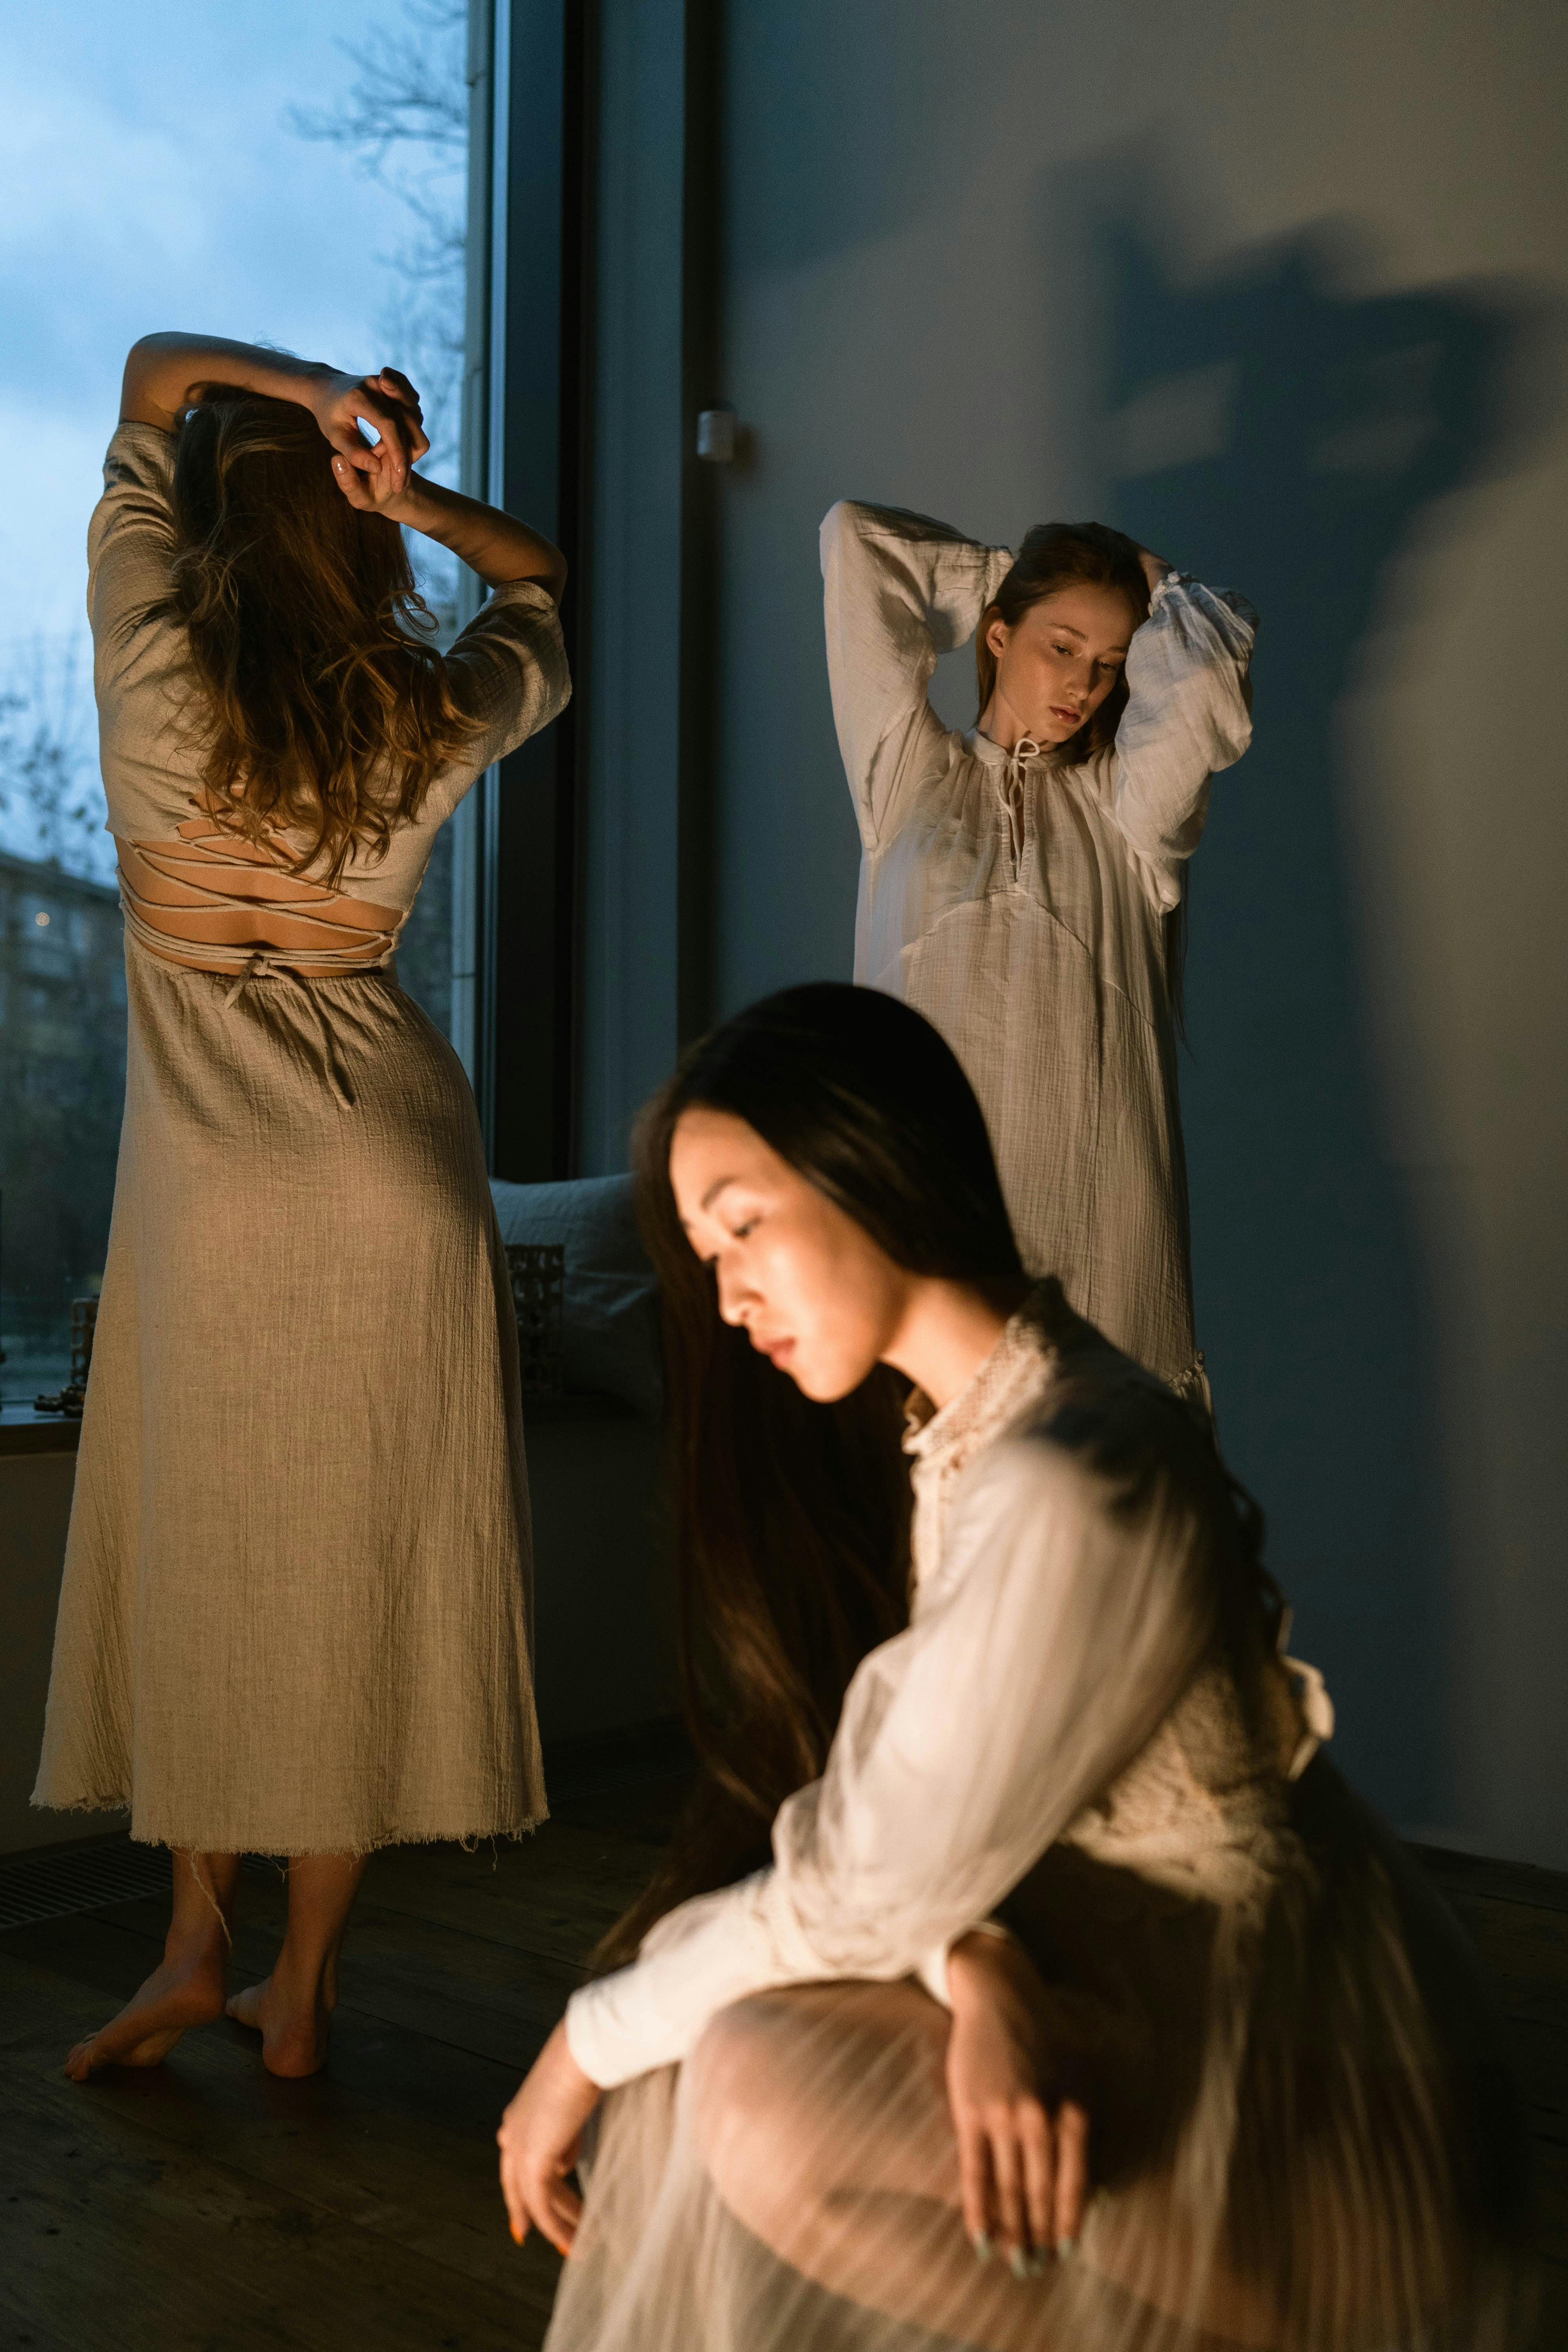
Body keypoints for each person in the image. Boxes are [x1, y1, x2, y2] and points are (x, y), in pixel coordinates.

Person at [497, 984, 1531, 2352]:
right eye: (704, 1258)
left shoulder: (1072, 1474)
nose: (729, 1297)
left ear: (874, 1166)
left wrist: (581, 2045)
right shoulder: (985, 1436)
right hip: (1154, 1994)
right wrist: (977, 1962)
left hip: (1295, 2076)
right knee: (744, 2073)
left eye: (744, 1228)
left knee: (744, 2080)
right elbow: (938, 1836)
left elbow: (863, 1883)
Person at [34, 331, 569, 2080]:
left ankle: (199, 1952)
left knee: (211, 1560)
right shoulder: (415, 713)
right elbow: (541, 582)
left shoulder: (148, 670)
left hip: (215, 1195)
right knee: (359, 1579)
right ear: (352, 542)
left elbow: (143, 372)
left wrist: (306, 392)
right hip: (397, 1175)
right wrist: (411, 492)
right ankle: (306, 1995)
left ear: (204, 533)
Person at [820, 501, 1256, 1401]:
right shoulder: (907, 776)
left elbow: (1209, 663)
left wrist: (1152, 584)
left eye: (1109, 663)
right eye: (1060, 646)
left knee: (1095, 1502)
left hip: (1097, 1231)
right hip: (932, 1207)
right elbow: (854, 541)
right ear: (996, 636)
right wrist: (1008, 574)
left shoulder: (1129, 811)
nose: (1083, 684)